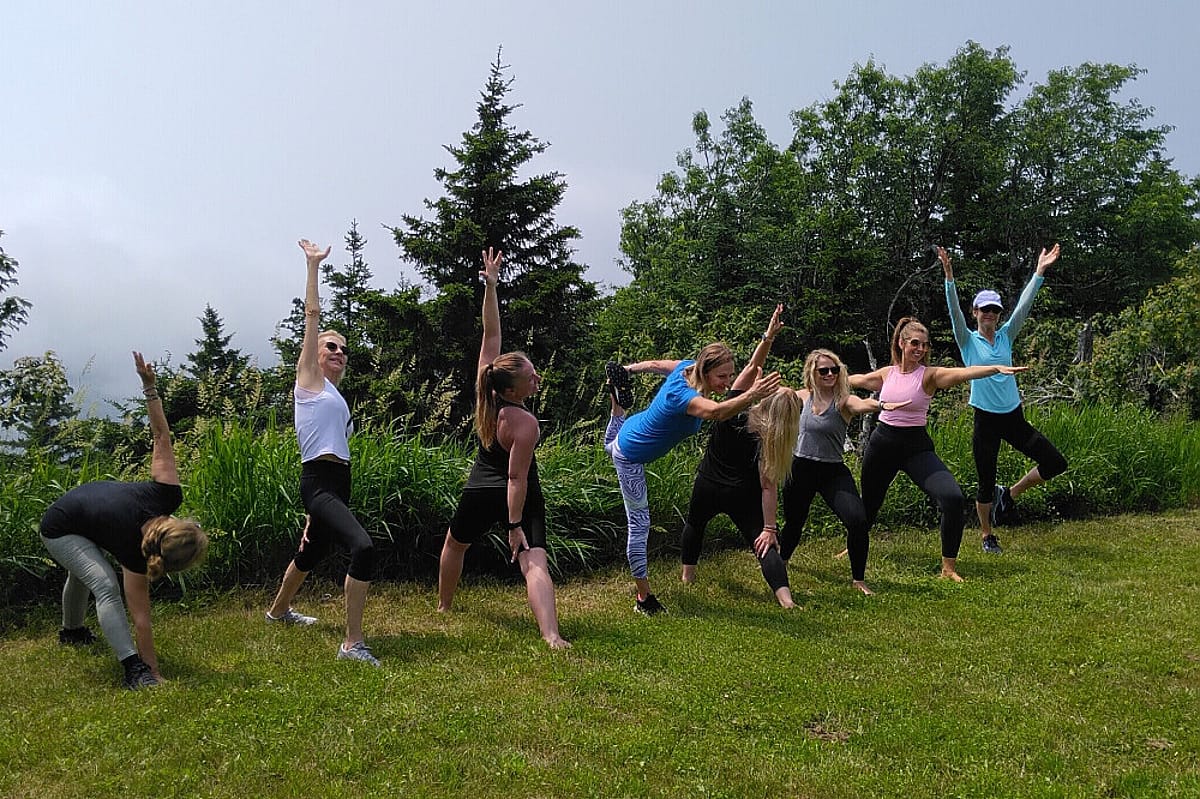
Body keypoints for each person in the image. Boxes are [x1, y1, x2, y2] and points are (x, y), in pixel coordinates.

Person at [40, 351, 208, 690]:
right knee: (102, 582)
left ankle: (72, 633)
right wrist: (151, 670)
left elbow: (162, 437)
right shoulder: (138, 551)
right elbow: (142, 619)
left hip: (82, 510)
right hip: (58, 527)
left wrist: (151, 388)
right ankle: (132, 670)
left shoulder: (166, 498)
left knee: (84, 571)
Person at [437, 247, 570, 649]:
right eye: (531, 378)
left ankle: (444, 606)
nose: (537, 379)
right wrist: (513, 527)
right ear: (513, 389)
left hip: (480, 486)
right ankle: (551, 636)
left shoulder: (487, 391)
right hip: (515, 493)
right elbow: (516, 478)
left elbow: (490, 334)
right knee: (534, 562)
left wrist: (491, 286)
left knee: (453, 543)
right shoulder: (525, 423)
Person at [604, 338, 782, 615]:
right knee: (640, 526)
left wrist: (629, 369)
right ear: (704, 371)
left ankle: (617, 399)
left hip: (628, 428)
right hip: (630, 457)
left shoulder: (687, 368)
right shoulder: (684, 398)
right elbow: (719, 412)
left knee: (611, 442)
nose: (727, 381)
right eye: (722, 376)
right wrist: (752, 395)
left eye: (730, 374)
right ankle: (643, 598)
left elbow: (655, 364)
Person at [266, 239, 379, 666]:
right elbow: (311, 316)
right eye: (331, 346)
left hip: (337, 481)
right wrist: (313, 267)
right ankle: (352, 644)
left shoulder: (333, 394)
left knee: (311, 551)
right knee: (363, 548)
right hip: (318, 480)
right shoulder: (308, 381)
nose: (339, 353)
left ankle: (277, 612)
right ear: (313, 355)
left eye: (344, 349)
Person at [852, 317, 1026, 581]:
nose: (920, 349)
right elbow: (858, 379)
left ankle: (948, 567)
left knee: (952, 498)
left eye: (924, 345)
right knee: (869, 504)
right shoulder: (888, 373)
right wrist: (823, 381)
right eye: (914, 343)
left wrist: (994, 369)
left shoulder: (930, 375)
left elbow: (962, 373)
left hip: (915, 447)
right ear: (901, 343)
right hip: (882, 444)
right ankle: (853, 545)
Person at [940, 244, 1069, 554]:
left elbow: (1024, 305)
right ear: (975, 313)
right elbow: (953, 311)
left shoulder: (1006, 335)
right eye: (984, 309)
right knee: (984, 481)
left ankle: (1008, 495)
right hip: (985, 419)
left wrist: (1039, 271)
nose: (989, 314)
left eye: (994, 310)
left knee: (1055, 462)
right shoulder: (967, 340)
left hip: (1013, 417)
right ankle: (986, 535)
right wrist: (949, 277)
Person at [677, 305, 801, 608]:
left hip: (707, 484)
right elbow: (768, 486)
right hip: (741, 495)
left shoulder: (733, 409)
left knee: (695, 525)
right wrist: (769, 528)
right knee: (764, 545)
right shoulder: (771, 440)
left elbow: (748, 371)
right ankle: (785, 600)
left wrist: (768, 338)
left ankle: (687, 577)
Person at [779, 349, 911, 596]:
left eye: (834, 370)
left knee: (857, 520)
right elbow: (777, 400)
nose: (830, 374)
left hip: (832, 471)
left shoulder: (842, 400)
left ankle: (858, 580)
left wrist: (882, 405)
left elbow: (861, 405)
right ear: (812, 373)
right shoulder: (802, 397)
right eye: (824, 370)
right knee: (794, 523)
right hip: (801, 468)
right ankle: (781, 562)